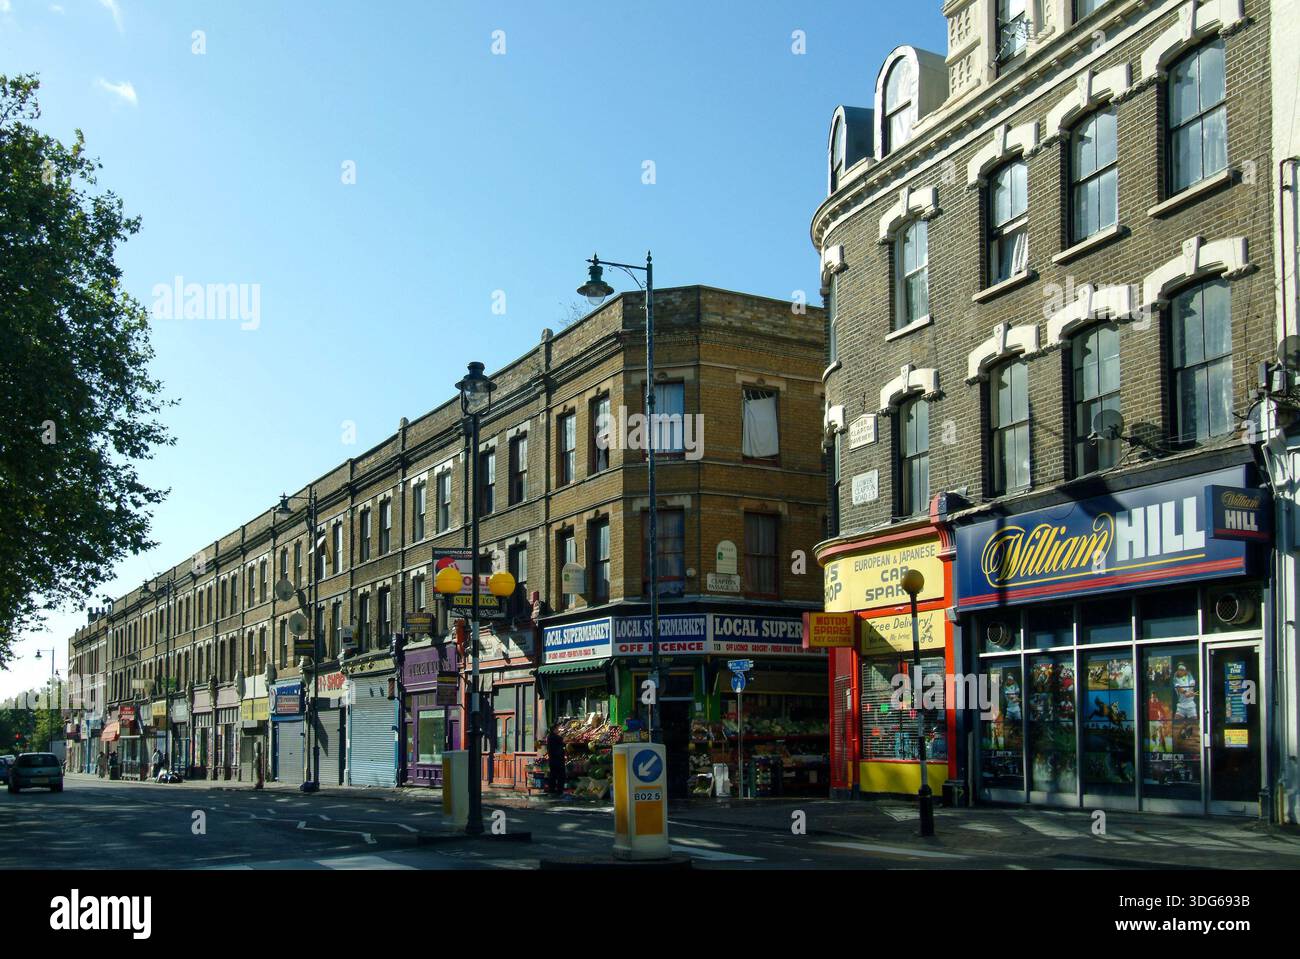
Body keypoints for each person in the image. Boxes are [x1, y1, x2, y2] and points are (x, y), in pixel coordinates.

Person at [546, 723, 566, 796]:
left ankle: (551, 790)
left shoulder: (549, 737)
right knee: (561, 776)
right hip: (558, 759)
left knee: (553, 775)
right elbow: (562, 741)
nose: (558, 730)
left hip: (552, 759)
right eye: (557, 729)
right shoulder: (555, 737)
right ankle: (559, 791)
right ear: (554, 730)